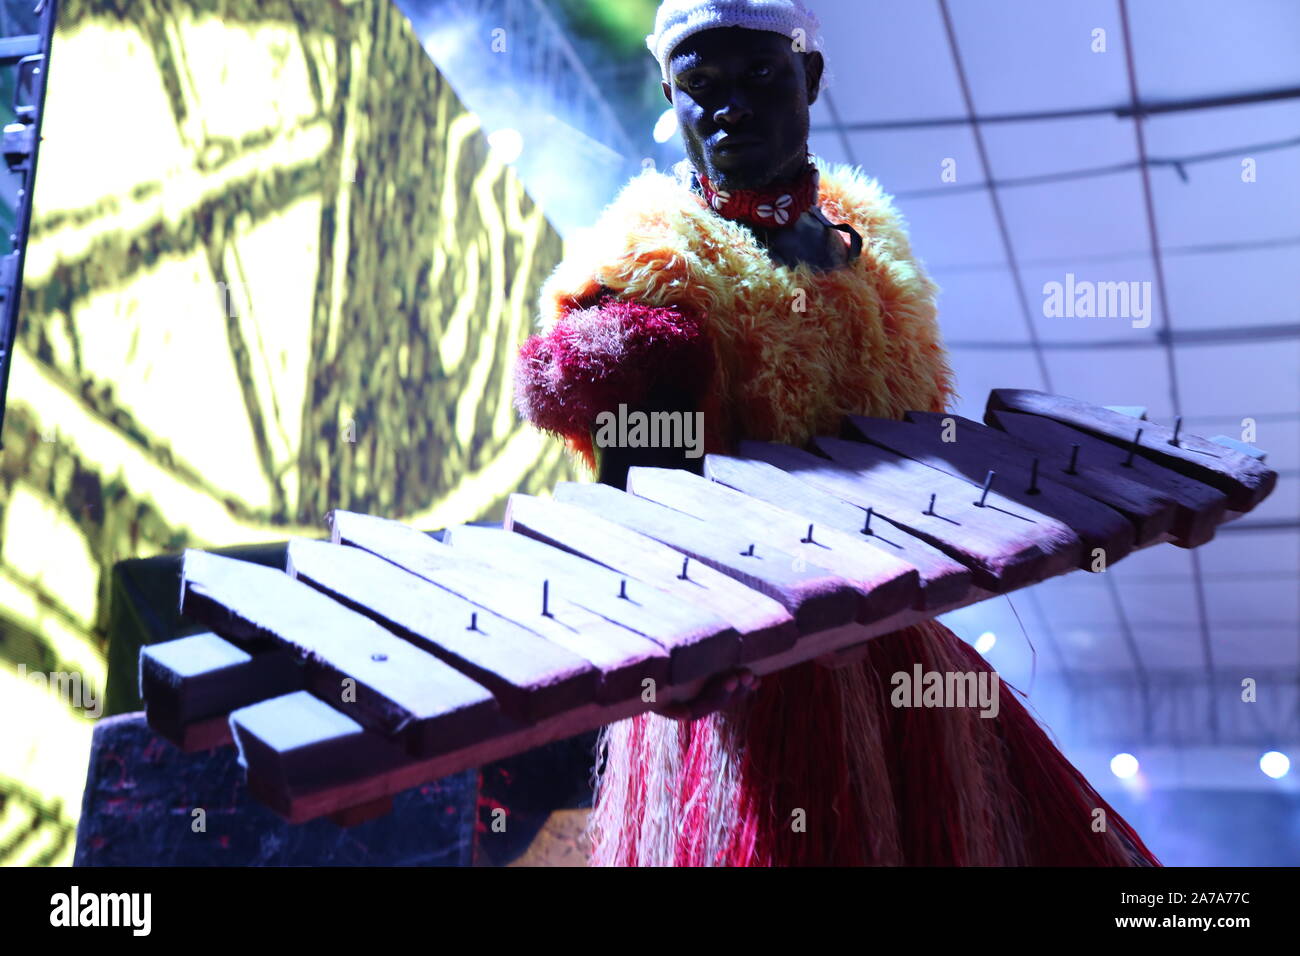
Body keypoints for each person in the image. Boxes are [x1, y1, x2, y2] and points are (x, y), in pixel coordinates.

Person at [513, 0, 1158, 867]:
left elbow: (922, 431)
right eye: (701, 87)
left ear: (809, 78)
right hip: (753, 683)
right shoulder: (646, 276)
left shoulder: (875, 249)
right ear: (670, 92)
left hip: (893, 644)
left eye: (758, 78)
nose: (729, 107)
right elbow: (650, 520)